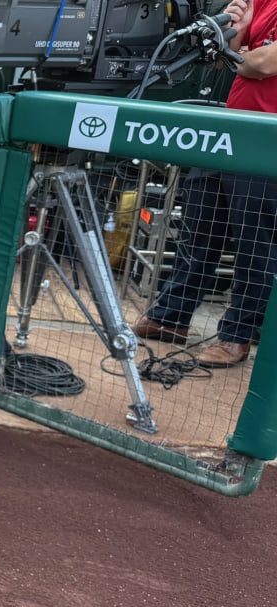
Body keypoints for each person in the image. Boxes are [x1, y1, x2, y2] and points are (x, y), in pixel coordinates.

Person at [132, 0, 277, 368]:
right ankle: (171, 316)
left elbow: (265, 63)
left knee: (254, 246)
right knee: (198, 229)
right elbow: (221, 56)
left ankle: (237, 336)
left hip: (268, 141)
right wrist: (238, 41)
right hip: (231, 128)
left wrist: (243, 56)